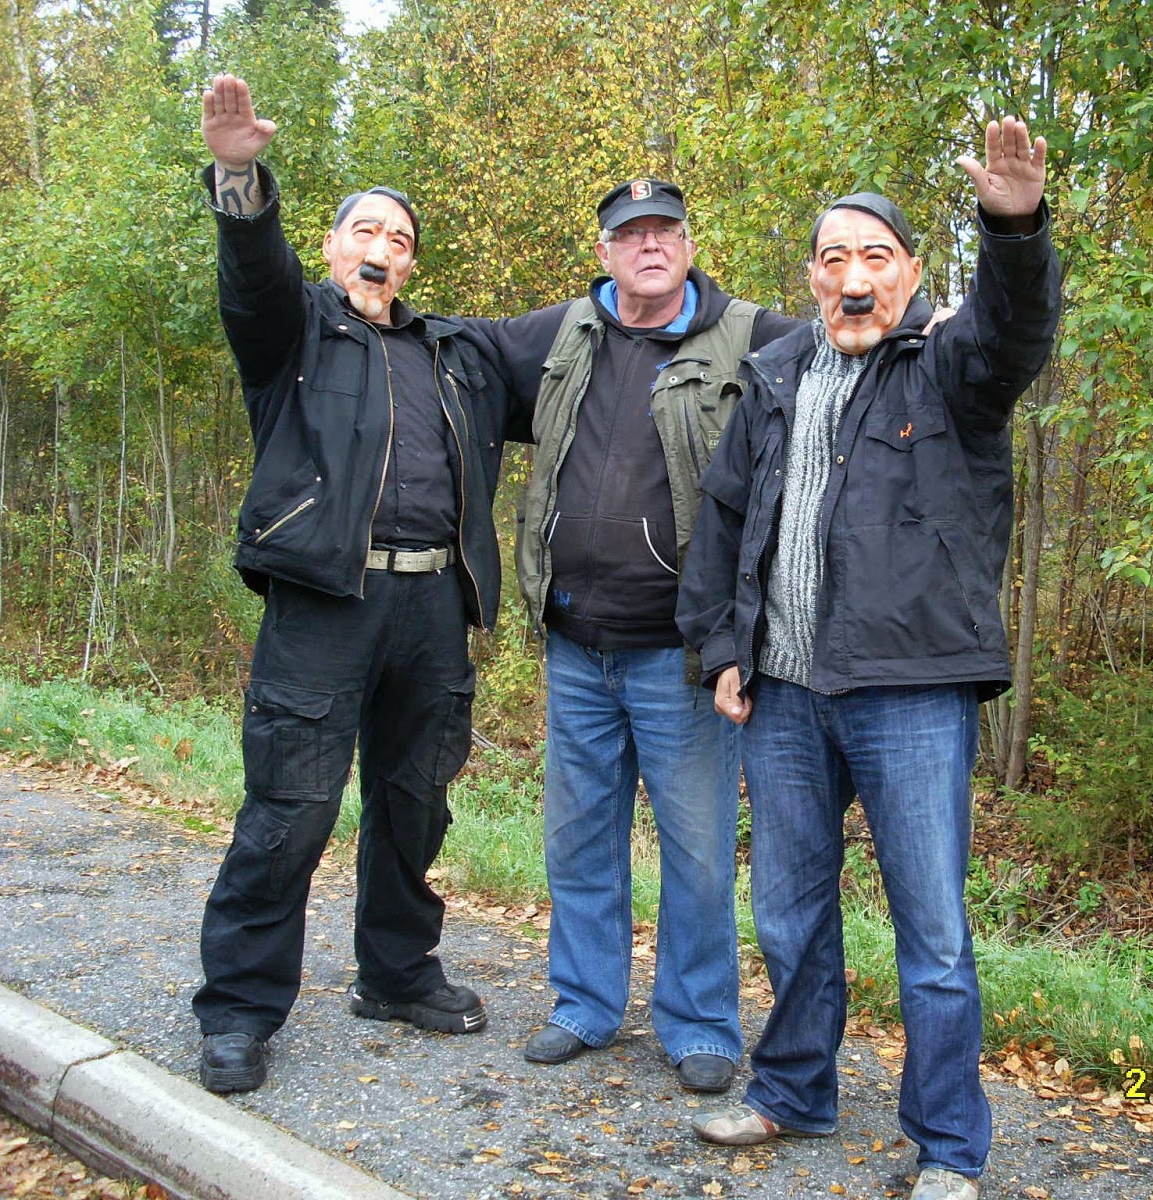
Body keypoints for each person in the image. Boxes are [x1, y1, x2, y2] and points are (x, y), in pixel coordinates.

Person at [676, 116, 1063, 1200]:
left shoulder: (951, 367)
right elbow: (724, 520)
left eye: (875, 258)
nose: (854, 278)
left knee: (931, 933)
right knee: (792, 912)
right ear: (809, 276)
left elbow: (1017, 328)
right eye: (835, 258)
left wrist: (1016, 224)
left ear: (910, 273)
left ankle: (948, 1149)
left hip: (910, 694)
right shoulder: (774, 374)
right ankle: (794, 1090)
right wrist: (722, 648)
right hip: (784, 694)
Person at [190, 74, 531, 1094]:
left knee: (414, 799)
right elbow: (250, 274)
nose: (384, 243)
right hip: (323, 604)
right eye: (366, 228)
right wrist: (242, 177)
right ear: (336, 248)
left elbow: (568, 346)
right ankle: (243, 1007)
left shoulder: (456, 353)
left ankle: (394, 973)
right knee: (291, 808)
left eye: (401, 235)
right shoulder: (293, 332)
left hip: (433, 606)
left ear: (412, 260)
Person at [454, 179, 807, 1094]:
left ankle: (698, 1025)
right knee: (579, 839)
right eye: (630, 234)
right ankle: (583, 1004)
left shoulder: (752, 336)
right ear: (605, 251)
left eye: (665, 231)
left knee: (694, 850)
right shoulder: (560, 333)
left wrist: (929, 316)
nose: (649, 245)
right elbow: (456, 350)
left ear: (689, 244)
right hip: (576, 646)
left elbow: (859, 340)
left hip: (682, 658)